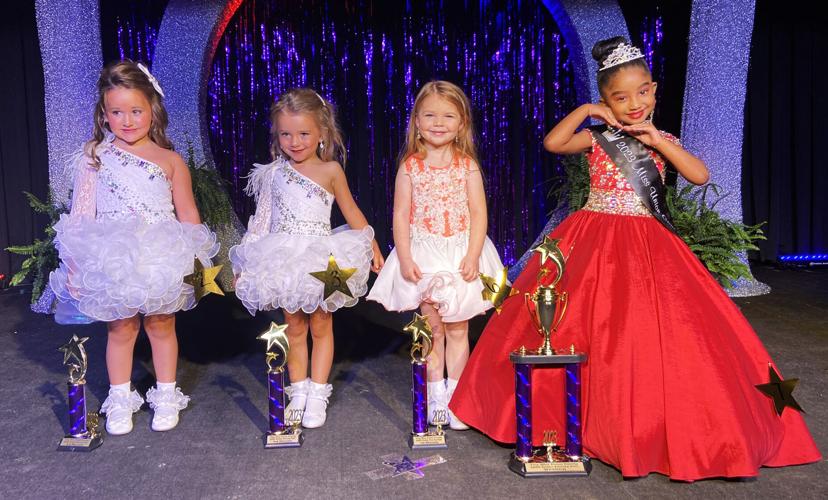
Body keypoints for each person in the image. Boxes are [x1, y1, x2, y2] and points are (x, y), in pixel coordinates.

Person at [449, 37, 821, 480]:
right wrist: (587, 110)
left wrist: (658, 142)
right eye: (619, 97)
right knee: (575, 324)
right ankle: (558, 416)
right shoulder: (597, 137)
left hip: (647, 242)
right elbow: (553, 143)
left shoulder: (661, 139)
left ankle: (639, 426)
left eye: (642, 92)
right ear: (607, 101)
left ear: (655, 89)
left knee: (643, 330)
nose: (633, 103)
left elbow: (699, 175)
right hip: (591, 237)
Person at [50, 60, 219, 435]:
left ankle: (165, 395)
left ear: (152, 110)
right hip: (113, 255)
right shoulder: (94, 157)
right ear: (104, 114)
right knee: (121, 328)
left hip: (161, 255)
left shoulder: (171, 161)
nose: (127, 120)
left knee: (161, 325)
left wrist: (196, 264)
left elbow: (189, 215)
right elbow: (80, 218)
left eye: (136, 110)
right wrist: (76, 268)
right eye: (117, 112)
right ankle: (121, 399)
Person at [230, 88, 383, 428]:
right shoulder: (272, 174)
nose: (294, 142)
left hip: (319, 258)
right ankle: (297, 390)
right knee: (294, 326)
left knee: (321, 324)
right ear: (277, 135)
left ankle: (318, 391)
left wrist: (373, 246)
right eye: (286, 134)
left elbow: (352, 211)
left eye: (303, 133)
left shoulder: (331, 170)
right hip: (284, 259)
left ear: (321, 134)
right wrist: (243, 264)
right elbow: (261, 222)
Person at [367, 81, 505, 430]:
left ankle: (459, 399)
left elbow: (478, 213)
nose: (438, 122)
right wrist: (406, 255)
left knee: (459, 329)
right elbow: (400, 214)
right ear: (416, 121)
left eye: (447, 116)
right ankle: (435, 395)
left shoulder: (467, 166)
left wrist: (473, 255)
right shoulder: (410, 167)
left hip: (460, 253)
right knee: (432, 329)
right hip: (425, 253)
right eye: (429, 115)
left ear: (462, 124)